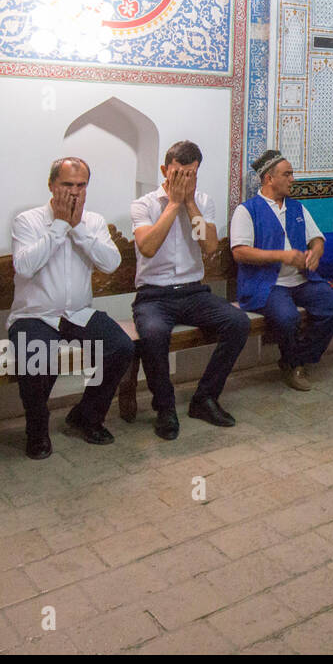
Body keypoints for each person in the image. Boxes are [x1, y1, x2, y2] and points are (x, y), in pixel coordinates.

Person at [7, 158, 134, 458]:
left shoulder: (94, 222)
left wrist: (77, 229)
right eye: (67, 185)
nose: (74, 192)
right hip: (34, 315)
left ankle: (86, 416)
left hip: (78, 314)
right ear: (52, 185)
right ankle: (37, 430)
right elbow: (25, 267)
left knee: (120, 347)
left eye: (81, 185)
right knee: (37, 357)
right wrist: (60, 225)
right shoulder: (27, 221)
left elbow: (111, 263)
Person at [131, 140, 250, 437]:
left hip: (193, 292)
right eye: (178, 173)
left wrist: (189, 203)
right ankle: (166, 408)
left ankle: (205, 398)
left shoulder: (204, 201)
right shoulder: (144, 205)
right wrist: (173, 204)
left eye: (191, 174)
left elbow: (209, 246)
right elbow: (147, 247)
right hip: (153, 296)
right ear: (164, 170)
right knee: (154, 335)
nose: (184, 180)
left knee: (238, 322)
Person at [230, 149, 333, 391]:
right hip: (268, 285)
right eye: (287, 174)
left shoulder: (297, 209)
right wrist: (283, 256)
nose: (293, 179)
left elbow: (317, 239)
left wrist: (316, 253)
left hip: (302, 280)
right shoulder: (247, 211)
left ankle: (298, 359)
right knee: (288, 318)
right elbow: (240, 252)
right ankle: (294, 364)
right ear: (269, 178)